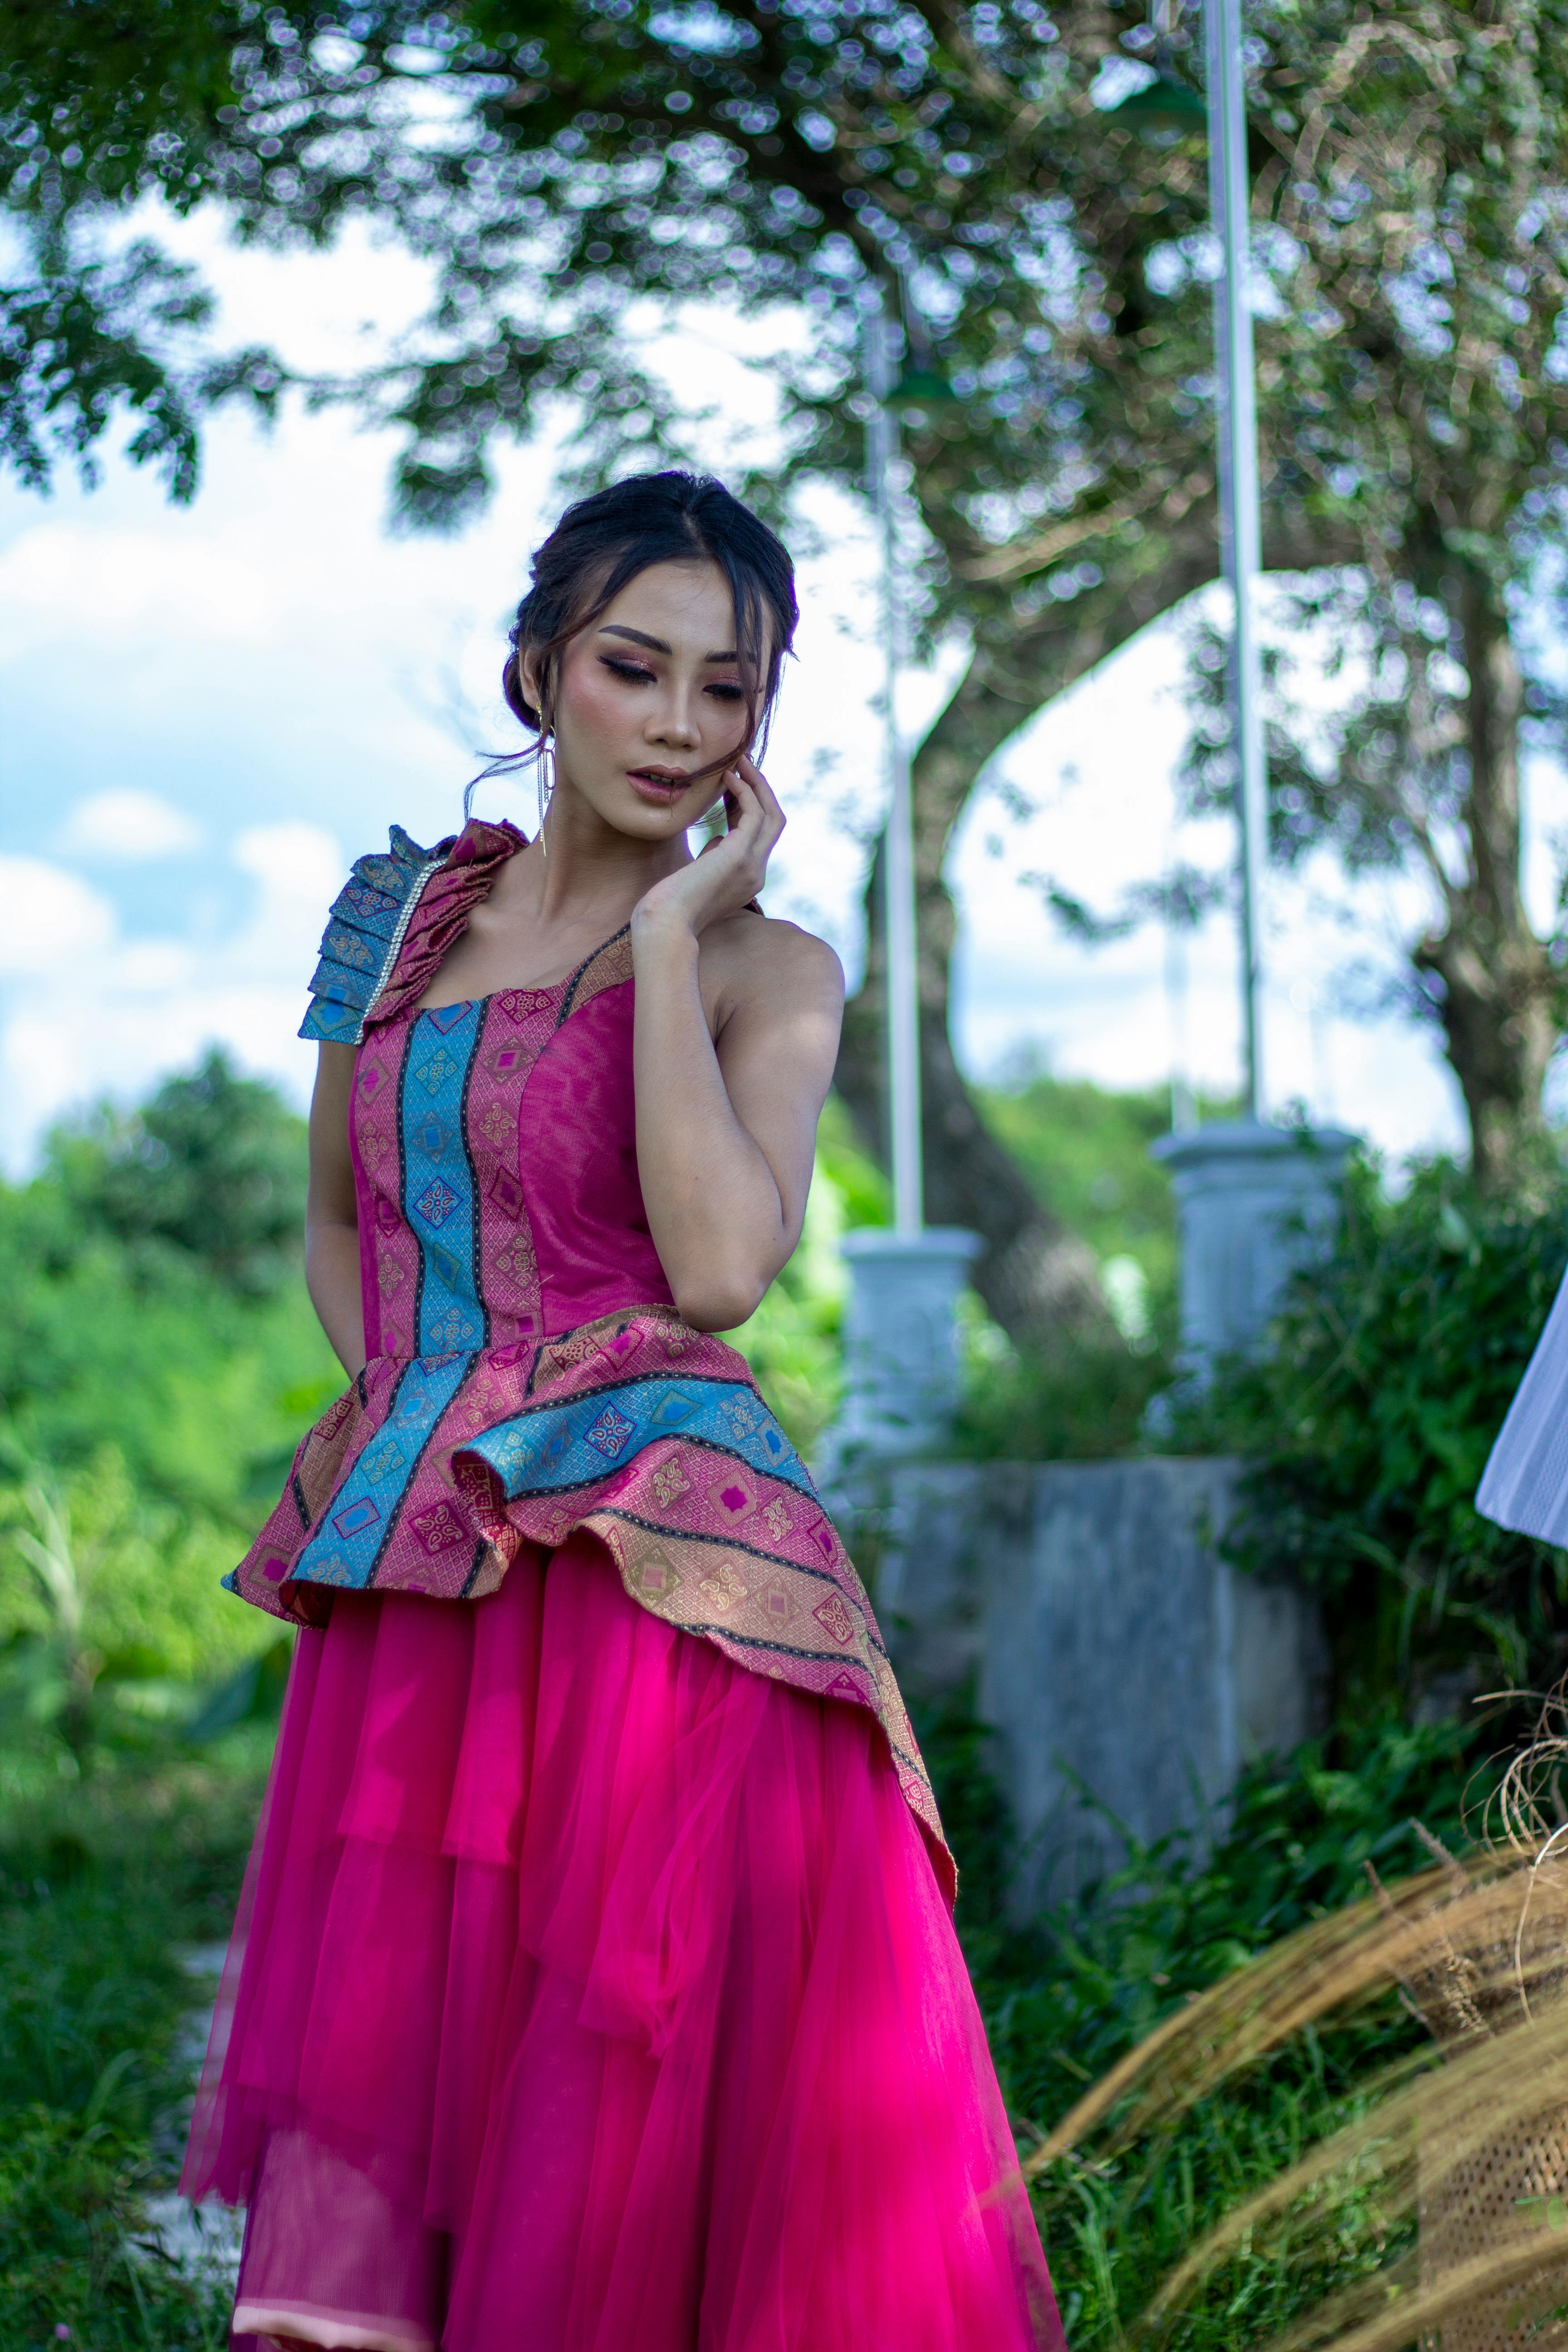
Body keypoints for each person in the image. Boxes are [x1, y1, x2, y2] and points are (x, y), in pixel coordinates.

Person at [181, 469, 1064, 2352]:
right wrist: (413, 1410)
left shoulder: (771, 968)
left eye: (727, 691)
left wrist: (667, 947)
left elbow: (727, 1267)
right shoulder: (395, 921)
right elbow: (342, 1217)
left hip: (663, 1608)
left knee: (622, 2154)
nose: (677, 725)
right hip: (428, 1587)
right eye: (633, 669)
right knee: (389, 2157)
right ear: (537, 672)